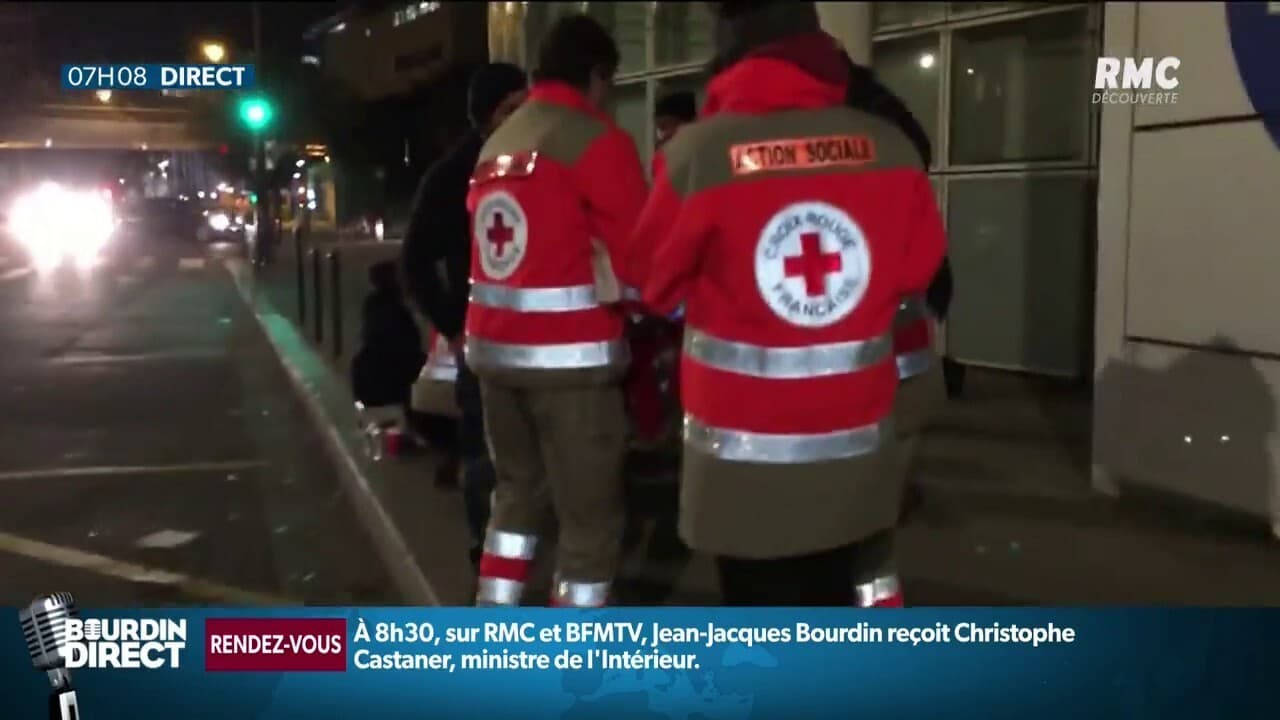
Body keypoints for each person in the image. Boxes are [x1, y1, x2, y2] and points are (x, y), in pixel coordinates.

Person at [629, 0, 946, 607]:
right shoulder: (890, 150)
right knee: (835, 602)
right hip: (853, 445)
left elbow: (649, 283)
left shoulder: (696, 156)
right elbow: (917, 269)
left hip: (740, 463)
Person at [465, 14, 648, 607]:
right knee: (588, 525)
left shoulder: (501, 142)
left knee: (514, 501)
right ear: (597, 76)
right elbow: (640, 258)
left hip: (495, 360)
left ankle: (493, 626)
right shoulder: (595, 140)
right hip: (573, 366)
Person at [401, 62, 528, 565]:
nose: (527, 117)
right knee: (484, 457)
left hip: (544, 339)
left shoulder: (537, 162)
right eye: (515, 108)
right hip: (482, 343)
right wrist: (452, 326)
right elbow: (415, 260)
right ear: (490, 115)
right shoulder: (455, 175)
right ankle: (488, 554)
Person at [841, 52, 954, 606]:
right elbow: (928, 263)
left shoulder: (811, 156)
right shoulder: (899, 151)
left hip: (840, 392)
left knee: (838, 540)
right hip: (903, 372)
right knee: (873, 545)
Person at [626, 91, 699, 447]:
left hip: (678, 286)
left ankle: (662, 437)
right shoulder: (710, 151)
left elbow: (656, 229)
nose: (662, 135)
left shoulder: (672, 158)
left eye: (665, 126)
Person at [350, 261, 427, 420]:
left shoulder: (372, 308)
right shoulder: (399, 313)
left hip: (366, 386)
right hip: (394, 388)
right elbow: (411, 351)